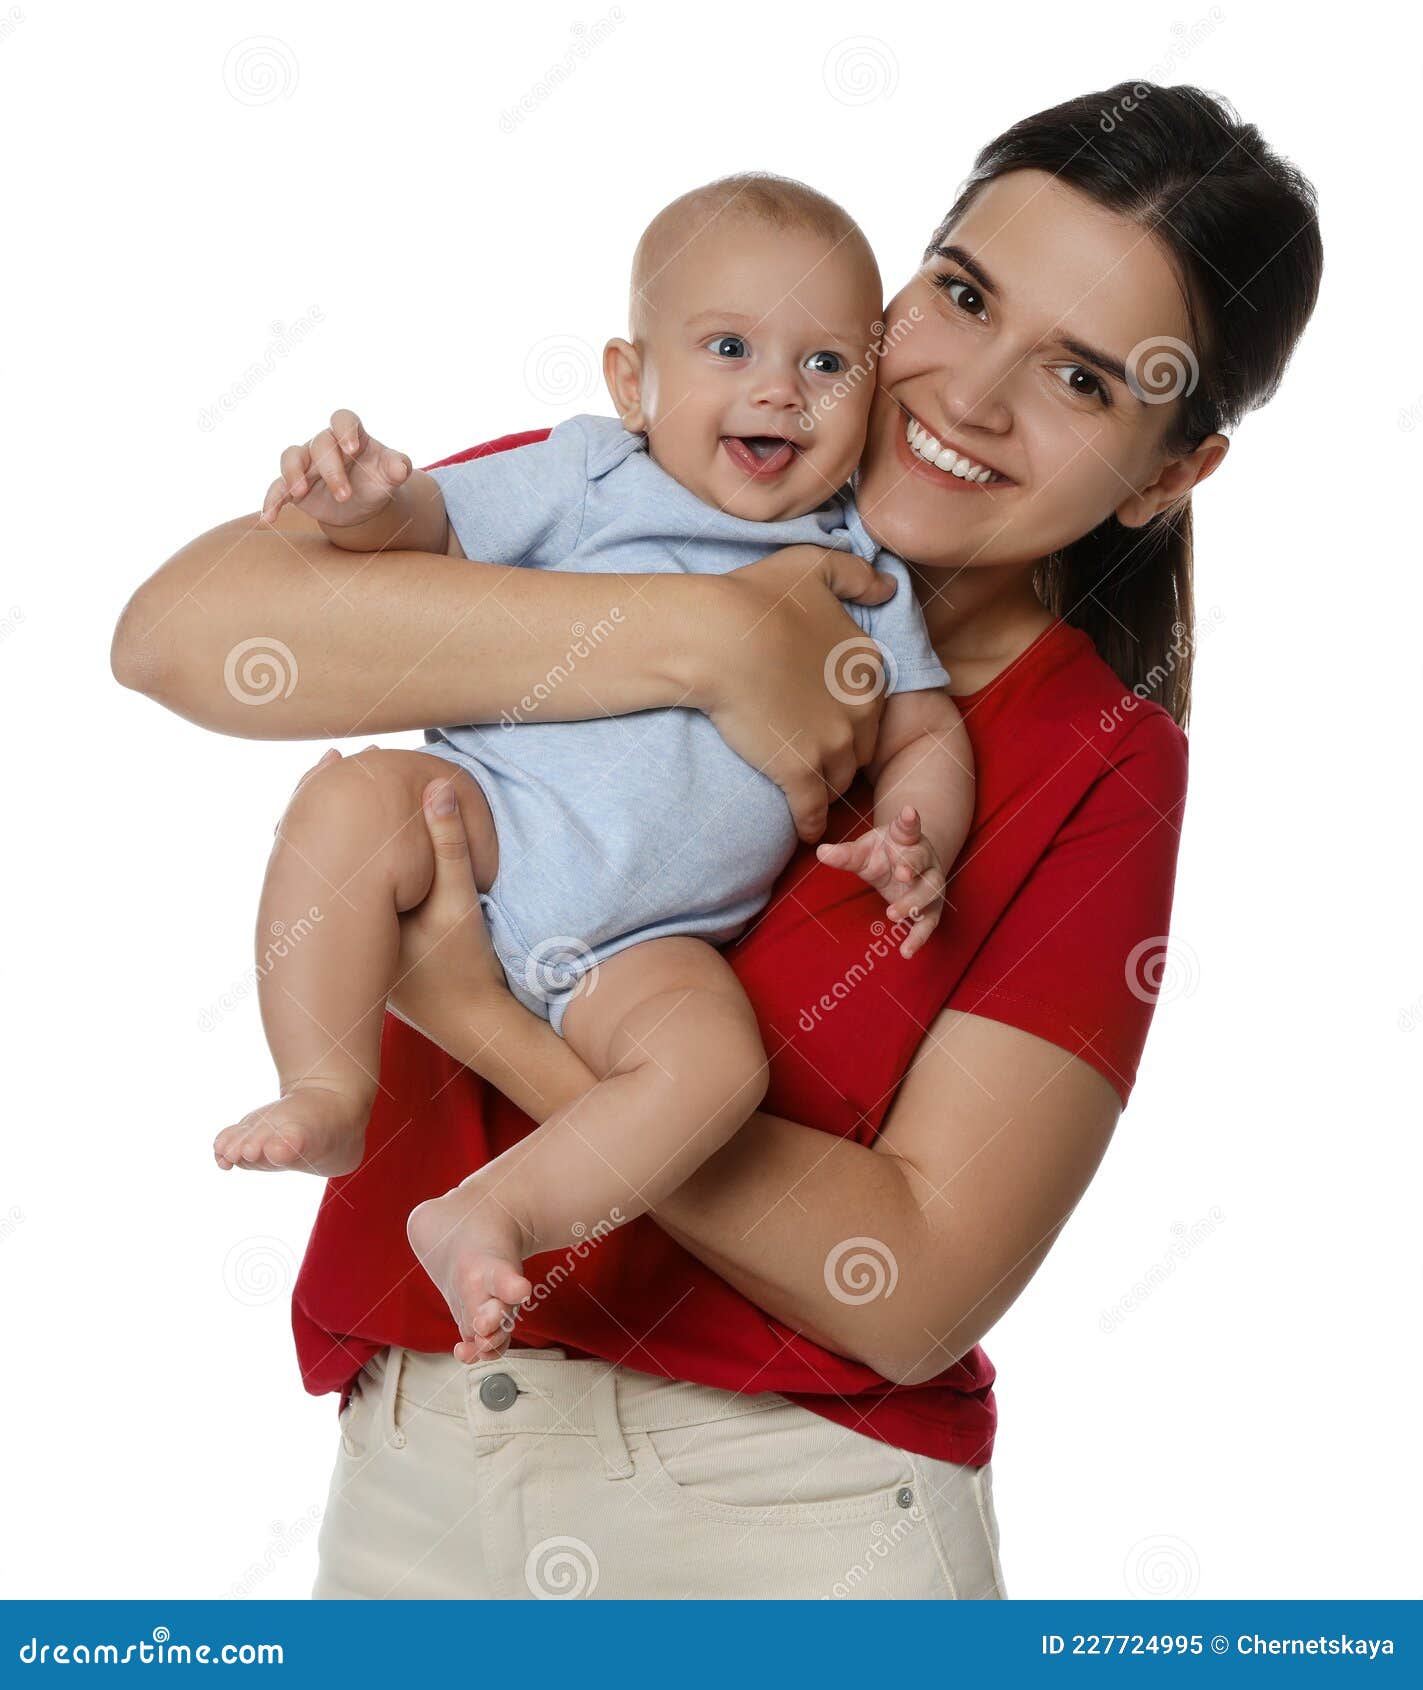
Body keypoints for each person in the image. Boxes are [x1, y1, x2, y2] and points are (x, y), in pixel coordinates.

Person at [111, 83, 1322, 1599]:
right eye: (959, 297)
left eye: (1082, 380)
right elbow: (182, 638)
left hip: (788, 1517)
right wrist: (695, 636)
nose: (967, 396)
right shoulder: (647, 479)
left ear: (1163, 472)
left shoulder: (1095, 763)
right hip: (416, 1471)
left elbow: (916, 1290)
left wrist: (489, 1015)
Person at [211, 176, 973, 1370]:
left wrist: (912, 830)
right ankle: (323, 1085)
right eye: (729, 346)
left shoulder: (857, 561)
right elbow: (429, 535)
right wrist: (368, 506)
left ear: (868, 399)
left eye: (826, 365)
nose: (779, 386)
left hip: (654, 943)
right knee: (350, 799)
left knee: (712, 1070)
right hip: (488, 826)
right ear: (632, 381)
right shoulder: (589, 474)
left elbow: (926, 729)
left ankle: (494, 1211)